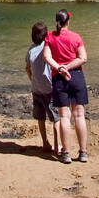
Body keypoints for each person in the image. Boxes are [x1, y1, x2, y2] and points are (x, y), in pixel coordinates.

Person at [44, 9, 88, 163]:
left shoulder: (49, 36)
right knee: (79, 115)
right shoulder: (76, 37)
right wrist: (68, 67)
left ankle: (66, 153)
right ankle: (83, 153)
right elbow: (83, 58)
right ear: (68, 21)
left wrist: (60, 68)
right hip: (75, 75)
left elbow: (46, 57)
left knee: (64, 116)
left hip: (59, 78)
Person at [26, 21, 59, 155]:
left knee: (41, 118)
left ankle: (45, 143)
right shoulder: (48, 47)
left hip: (36, 88)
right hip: (49, 88)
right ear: (46, 36)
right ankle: (57, 146)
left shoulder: (30, 50)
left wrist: (32, 80)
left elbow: (27, 68)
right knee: (56, 118)